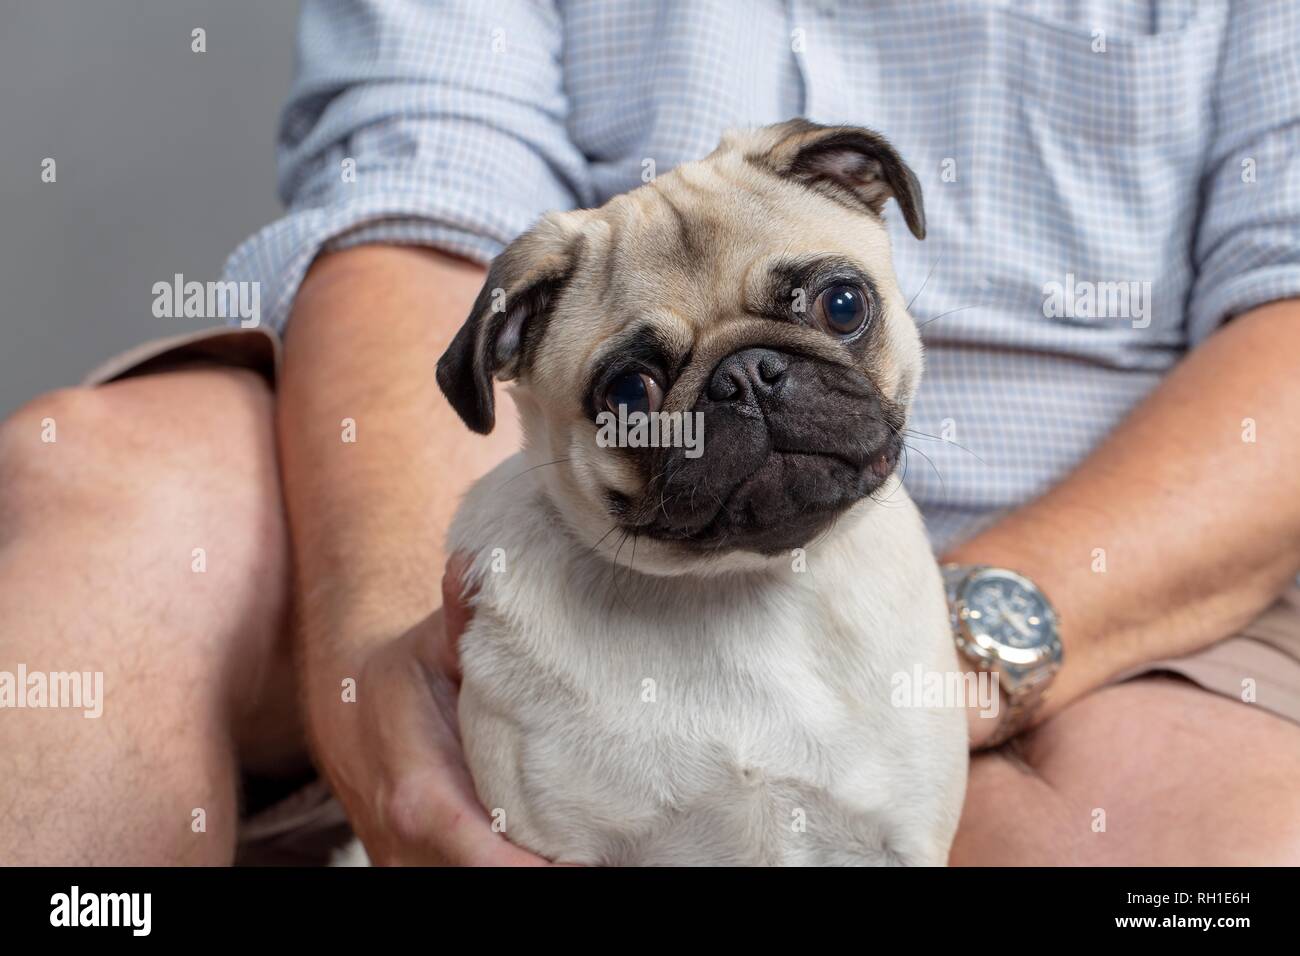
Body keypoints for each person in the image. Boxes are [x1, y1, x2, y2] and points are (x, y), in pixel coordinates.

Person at [3, 0, 1299, 866]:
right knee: (103, 501)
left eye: (830, 311)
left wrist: (954, 647)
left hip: (1119, 546)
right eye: (653, 387)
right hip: (519, 511)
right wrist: (406, 666)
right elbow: (415, 203)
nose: (749, 396)